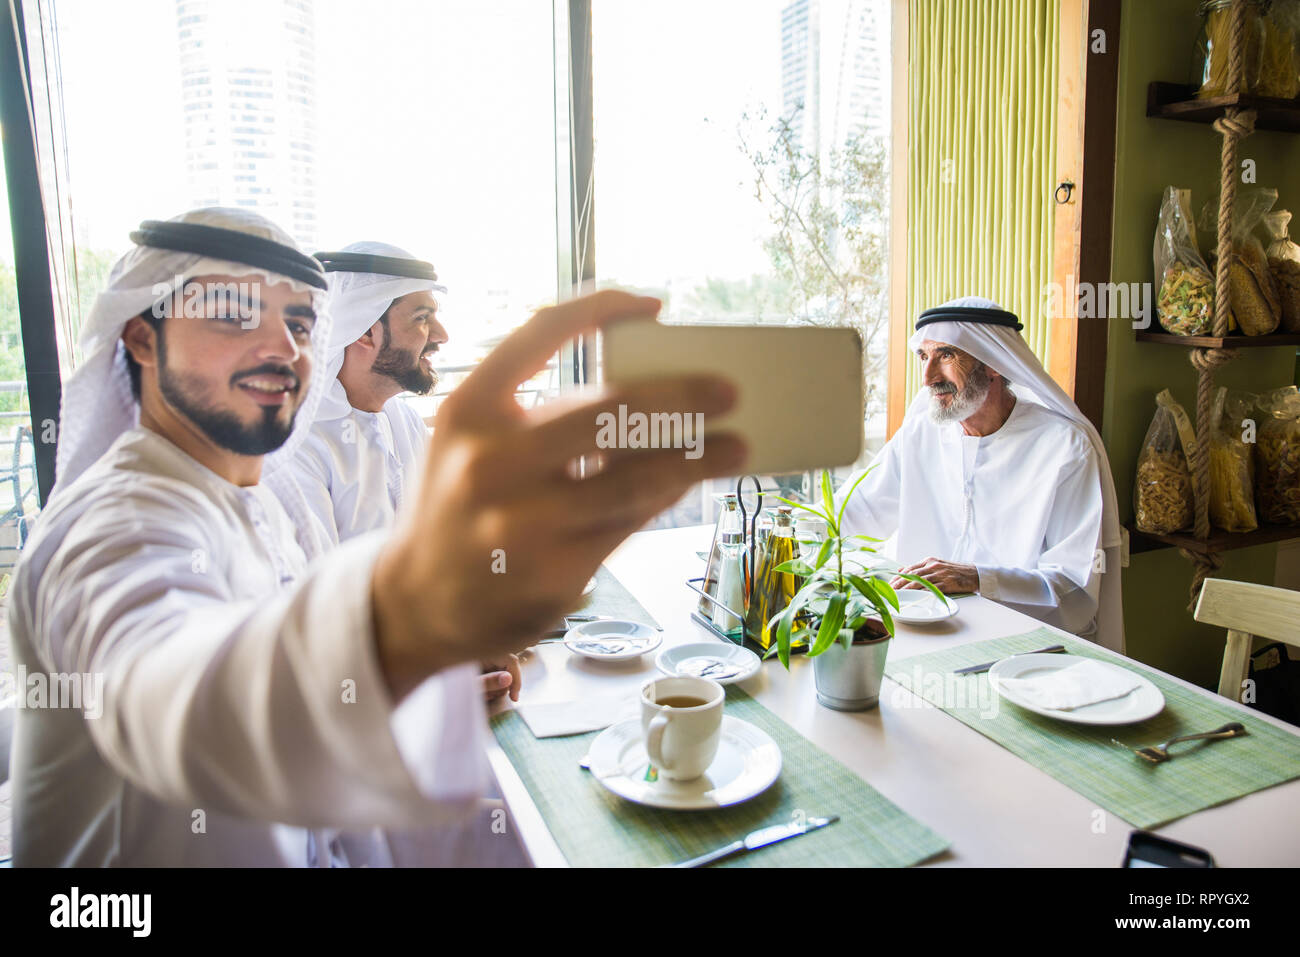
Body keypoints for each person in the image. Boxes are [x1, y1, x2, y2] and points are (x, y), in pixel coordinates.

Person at [7, 207, 745, 866]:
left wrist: (430, 652)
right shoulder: (113, 524)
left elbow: (308, 719)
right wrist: (408, 616)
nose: (282, 350)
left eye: (298, 324)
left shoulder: (238, 500)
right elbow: (177, 699)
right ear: (141, 338)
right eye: (234, 316)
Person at [266, 242, 520, 703]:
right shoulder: (296, 447)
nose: (440, 335)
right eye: (422, 318)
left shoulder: (399, 419)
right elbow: (321, 619)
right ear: (365, 331)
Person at [838, 297, 1123, 651]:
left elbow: (1074, 584)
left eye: (946, 355)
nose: (928, 377)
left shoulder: (1064, 447)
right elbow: (855, 512)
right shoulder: (921, 433)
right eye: (923, 357)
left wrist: (977, 578)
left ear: (993, 363)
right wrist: (785, 529)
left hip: (1025, 648)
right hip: (920, 637)